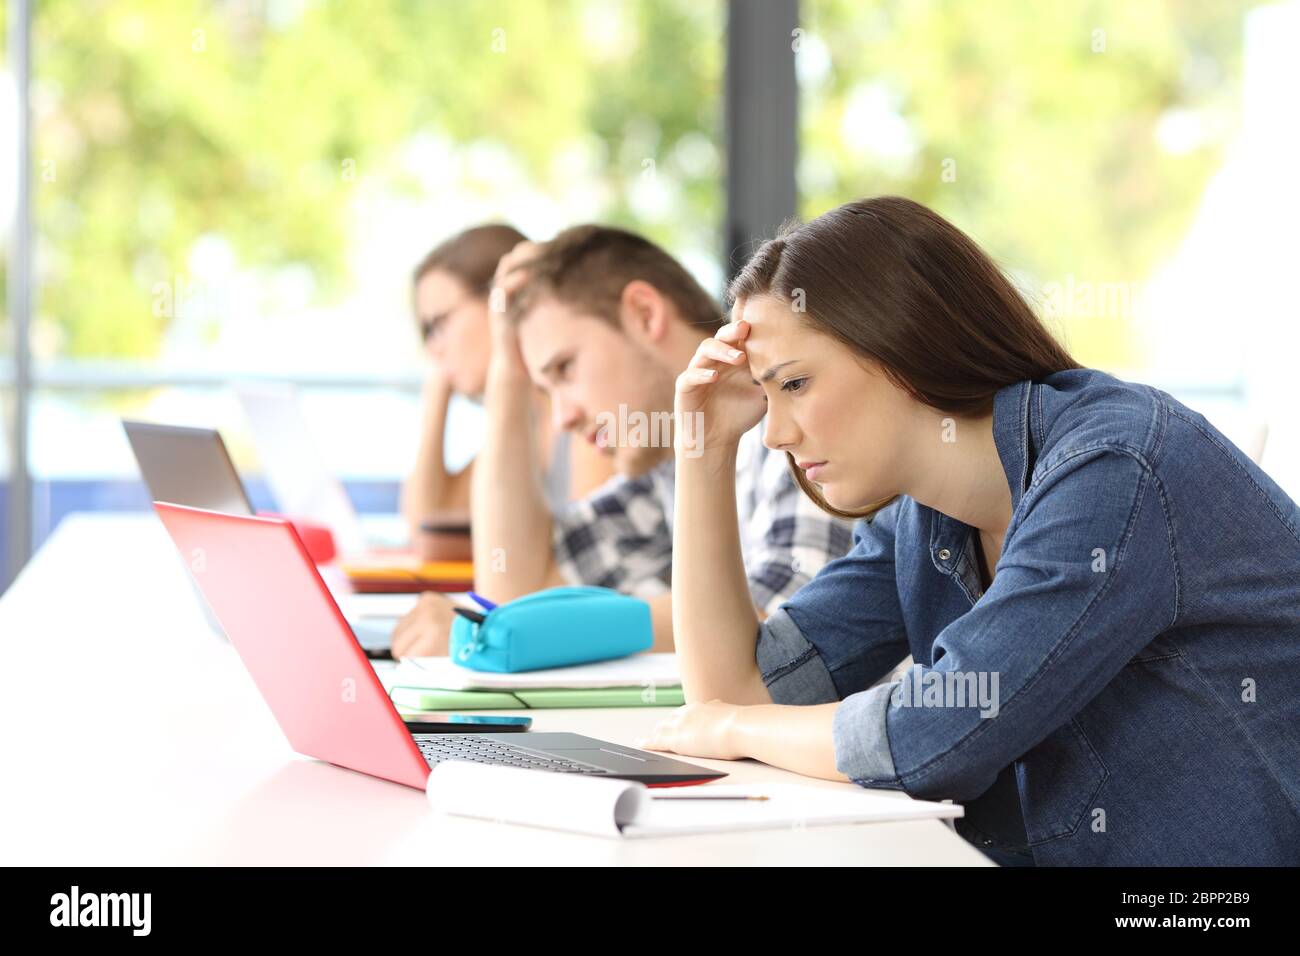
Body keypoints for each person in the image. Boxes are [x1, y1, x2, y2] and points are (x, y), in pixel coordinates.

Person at [633, 196, 1300, 866]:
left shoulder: (1114, 471)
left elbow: (934, 735)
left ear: (902, 343)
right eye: (765, 395)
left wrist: (736, 725)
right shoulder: (925, 513)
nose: (774, 432)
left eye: (796, 383)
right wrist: (705, 446)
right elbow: (733, 691)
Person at [391, 225, 855, 655]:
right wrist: (508, 376)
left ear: (644, 314)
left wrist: (521, 632)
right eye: (545, 388)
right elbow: (515, 586)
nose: (563, 418)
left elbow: (778, 628)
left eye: (566, 369)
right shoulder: (665, 468)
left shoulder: (784, 427)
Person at [399, 224, 612, 540]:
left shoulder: (580, 408)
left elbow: (588, 559)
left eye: (438, 325)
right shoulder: (520, 422)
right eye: (426, 335)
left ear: (501, 299)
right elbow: (425, 529)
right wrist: (436, 401)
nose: (433, 349)